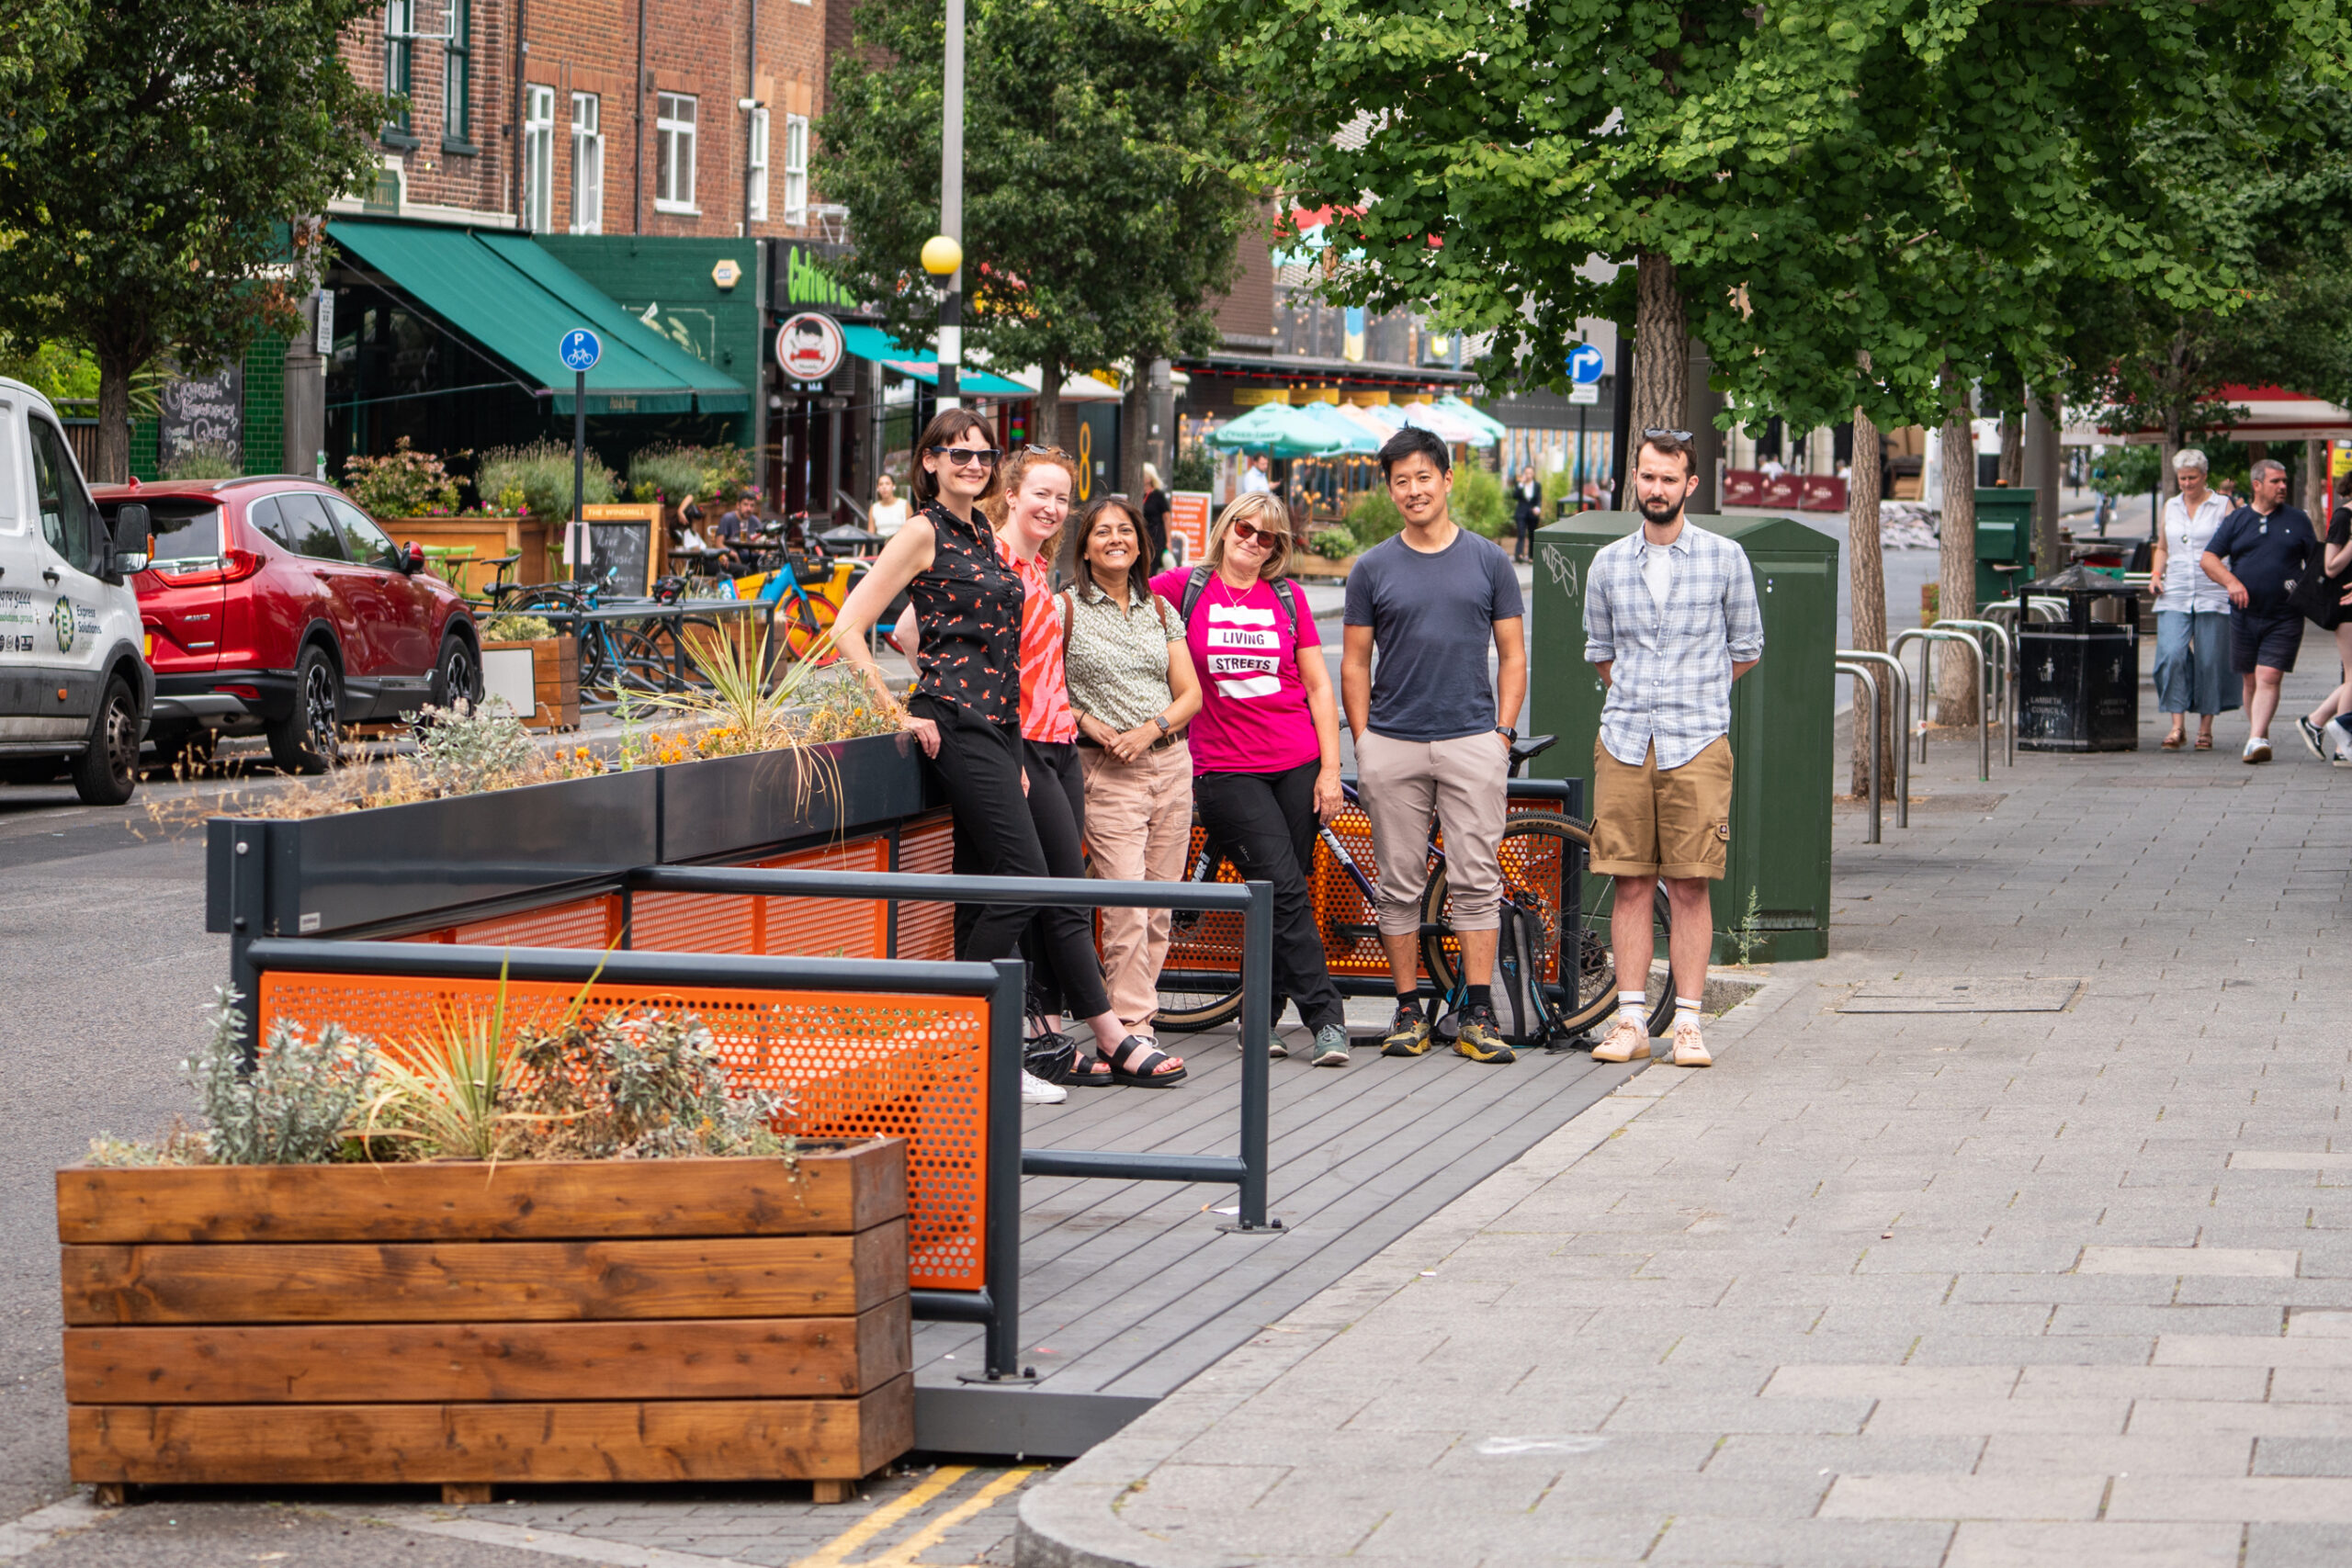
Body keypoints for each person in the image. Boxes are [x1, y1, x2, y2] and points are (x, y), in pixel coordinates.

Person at [831, 410, 1179, 1105]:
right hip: (953, 723)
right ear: (928, 460)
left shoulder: (982, 536)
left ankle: (989, 1045)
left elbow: (999, 650)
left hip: (1000, 731)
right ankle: (970, 1037)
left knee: (1008, 879)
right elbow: (849, 625)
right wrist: (900, 711)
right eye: (957, 453)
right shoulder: (924, 529)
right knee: (1024, 878)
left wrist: (1015, 741)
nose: (972, 463)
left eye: (982, 454)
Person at [1341, 425, 1528, 1066]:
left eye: (1424, 476)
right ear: (1390, 489)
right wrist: (1364, 740)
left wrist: (1502, 734)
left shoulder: (1489, 561)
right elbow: (1354, 662)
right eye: (1401, 480)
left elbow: (1512, 655)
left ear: (1447, 480)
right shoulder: (1371, 568)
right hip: (1393, 741)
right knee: (1397, 883)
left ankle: (1479, 1012)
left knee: (1475, 880)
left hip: (1473, 739)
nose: (1413, 489)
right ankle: (1407, 1008)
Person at [1582, 429, 1764, 1069]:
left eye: (1669, 478)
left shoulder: (1724, 559)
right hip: (1626, 738)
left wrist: (1695, 696)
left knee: (1690, 885)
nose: (1656, 489)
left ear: (1690, 485)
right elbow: (1599, 655)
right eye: (1648, 476)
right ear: (1635, 479)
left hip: (1697, 742)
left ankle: (1687, 1021)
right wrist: (1644, 696)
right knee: (1629, 883)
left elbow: (1746, 649)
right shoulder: (1607, 564)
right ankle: (1631, 1019)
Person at [1151, 493, 1351, 1066]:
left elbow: (1317, 687)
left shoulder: (1286, 597)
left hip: (1297, 763)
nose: (1254, 542)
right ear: (1226, 526)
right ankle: (1327, 1018)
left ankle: (1259, 1020)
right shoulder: (1184, 588)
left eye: (1269, 538)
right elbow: (1119, 601)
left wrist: (1331, 771)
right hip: (1224, 769)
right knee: (1283, 889)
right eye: (1246, 528)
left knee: (1280, 891)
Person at [1060, 495, 1203, 1040]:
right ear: (1086, 548)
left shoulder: (1162, 610)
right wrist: (1085, 720)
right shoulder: (1063, 607)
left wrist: (1152, 729)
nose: (1115, 539)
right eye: (1102, 532)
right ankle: (1132, 1028)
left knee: (1160, 906)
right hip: (1106, 772)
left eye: (1125, 530)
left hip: (1170, 764)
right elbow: (1037, 688)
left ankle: (1135, 1012)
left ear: (1141, 543)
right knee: (1125, 904)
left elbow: (1189, 694)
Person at [2201, 457, 2318, 763]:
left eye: (2284, 481)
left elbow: (2317, 562)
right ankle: (2257, 733)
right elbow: (2209, 559)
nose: (2282, 486)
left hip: (2285, 614)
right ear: (2257, 485)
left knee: (2269, 675)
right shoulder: (2237, 520)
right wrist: (2231, 582)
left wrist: (2305, 590)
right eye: (2275, 481)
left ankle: (2257, 738)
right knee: (2251, 679)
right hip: (2244, 614)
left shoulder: (2297, 520)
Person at [2150, 448, 2239, 751]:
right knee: (2171, 654)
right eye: (2182, 478)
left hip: (2213, 591)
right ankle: (2177, 726)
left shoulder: (2223, 505)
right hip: (2175, 590)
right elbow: (2162, 547)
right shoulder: (2171, 506)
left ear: (2204, 476)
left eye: (2193, 478)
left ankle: (2205, 728)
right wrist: (2155, 574)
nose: (2187, 483)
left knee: (2210, 659)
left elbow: (2236, 547)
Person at [2298, 490, 2352, 764]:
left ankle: (2317, 721)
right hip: (2345, 603)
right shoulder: (2345, 518)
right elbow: (2330, 566)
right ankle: (2342, 746)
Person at [1141, 463, 1172, 568]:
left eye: (1143, 475)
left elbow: (1167, 518)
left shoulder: (1158, 495)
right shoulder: (1139, 495)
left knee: (1151, 566)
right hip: (1143, 535)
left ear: (1150, 478)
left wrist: (1168, 541)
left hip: (1156, 536)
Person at [1510, 466, 1543, 563]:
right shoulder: (1520, 485)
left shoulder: (1537, 485)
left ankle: (1531, 556)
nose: (1528, 475)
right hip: (1521, 512)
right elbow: (1514, 496)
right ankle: (1519, 554)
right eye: (1526, 473)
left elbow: (1538, 498)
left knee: (1532, 534)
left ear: (1533, 474)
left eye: (1530, 473)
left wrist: (1538, 508)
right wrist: (1521, 483)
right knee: (1521, 533)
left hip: (1532, 513)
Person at [869, 472, 910, 539]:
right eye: (881, 484)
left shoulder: (904, 505)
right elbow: (870, 534)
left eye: (887, 484)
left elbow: (911, 530)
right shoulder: (874, 508)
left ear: (894, 486)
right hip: (881, 546)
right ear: (878, 488)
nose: (884, 487)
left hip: (900, 544)